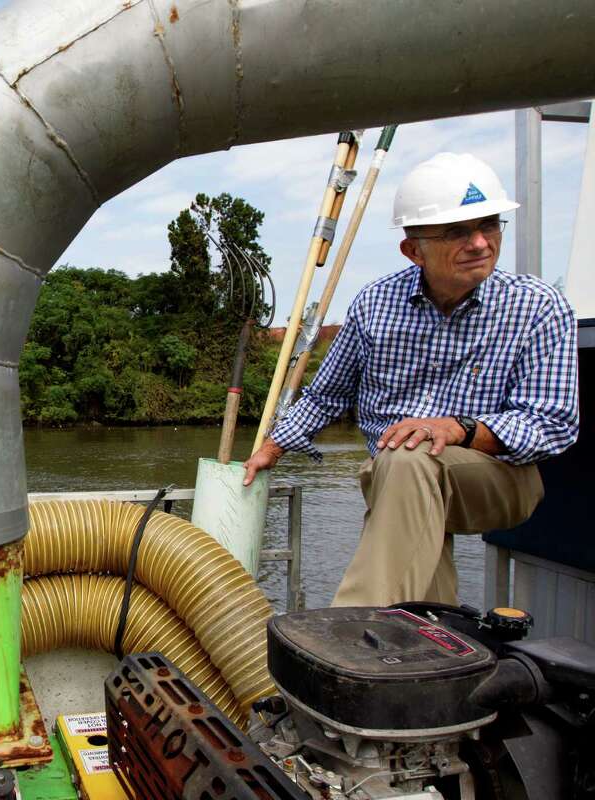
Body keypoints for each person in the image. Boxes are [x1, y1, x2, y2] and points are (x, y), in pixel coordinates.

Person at [242, 152, 579, 607]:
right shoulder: (375, 304)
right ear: (413, 251)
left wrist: (460, 428)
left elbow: (552, 425)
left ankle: (349, 632)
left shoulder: (538, 307)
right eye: (458, 232)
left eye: (490, 225)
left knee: (408, 457)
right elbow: (326, 397)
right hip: (396, 478)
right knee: (406, 493)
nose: (480, 243)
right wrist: (273, 448)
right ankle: (434, 651)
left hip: (500, 481)